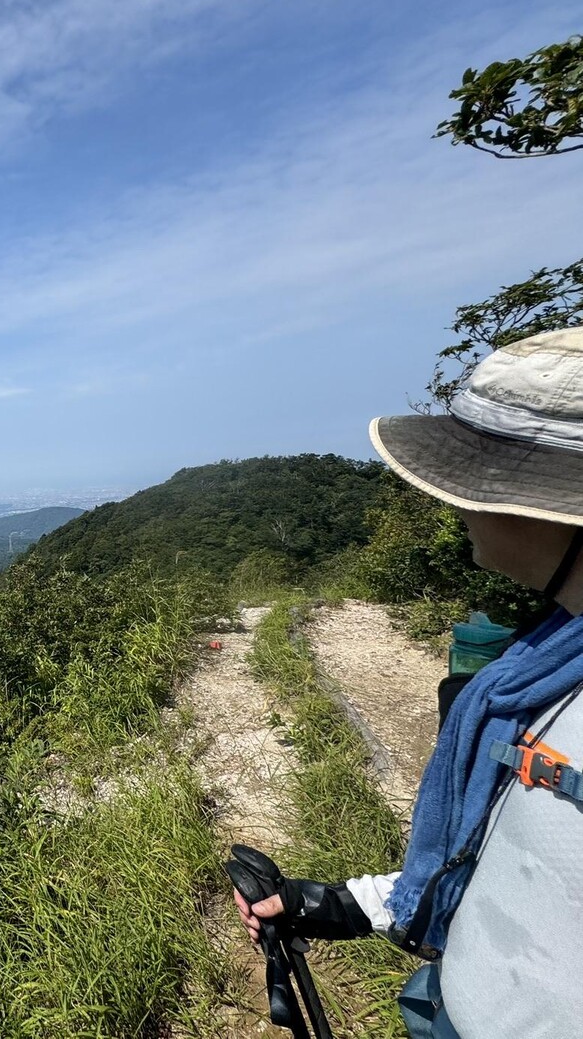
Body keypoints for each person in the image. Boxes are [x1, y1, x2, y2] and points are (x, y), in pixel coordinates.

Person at [233, 327, 583, 1038]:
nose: (453, 503)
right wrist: (329, 904)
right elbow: (508, 865)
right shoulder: (546, 663)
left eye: (472, 478)